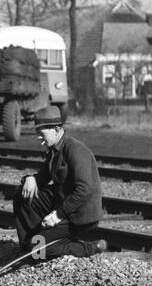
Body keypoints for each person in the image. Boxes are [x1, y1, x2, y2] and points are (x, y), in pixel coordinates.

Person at [12, 106, 106, 259]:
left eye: (41, 134)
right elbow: (41, 178)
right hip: (65, 206)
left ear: (56, 129)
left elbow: (84, 189)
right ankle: (29, 248)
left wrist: (57, 215)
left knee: (41, 247)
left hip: (79, 215)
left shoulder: (75, 150)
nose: (39, 138)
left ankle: (90, 248)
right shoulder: (55, 150)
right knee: (21, 193)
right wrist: (29, 179)